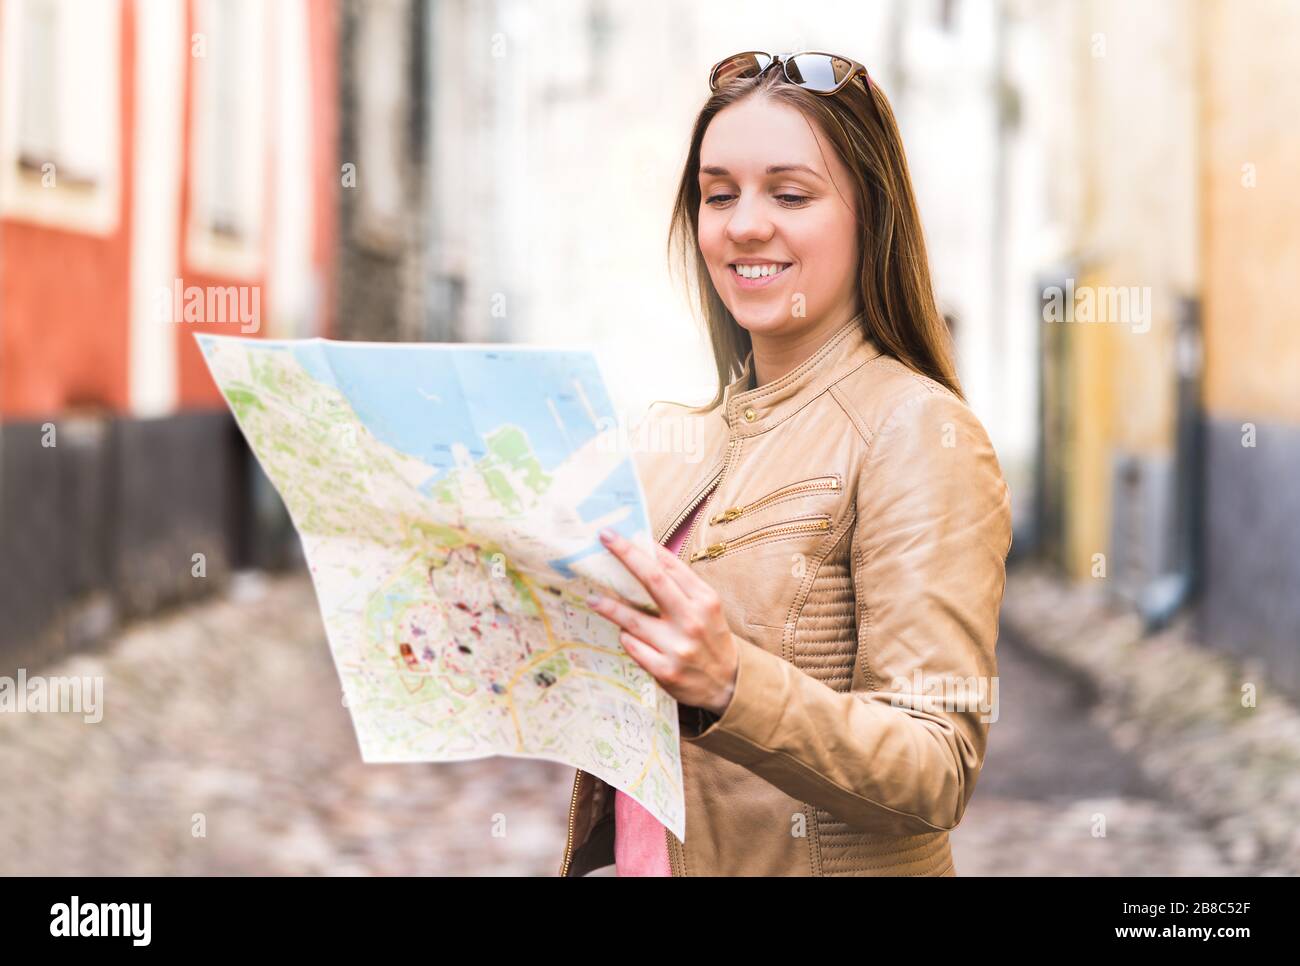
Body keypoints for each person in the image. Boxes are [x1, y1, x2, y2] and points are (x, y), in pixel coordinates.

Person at [561, 51, 1012, 877]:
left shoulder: (916, 430)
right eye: (719, 194)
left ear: (868, 215)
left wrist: (733, 683)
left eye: (791, 194)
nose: (743, 225)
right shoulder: (677, 443)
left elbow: (936, 768)